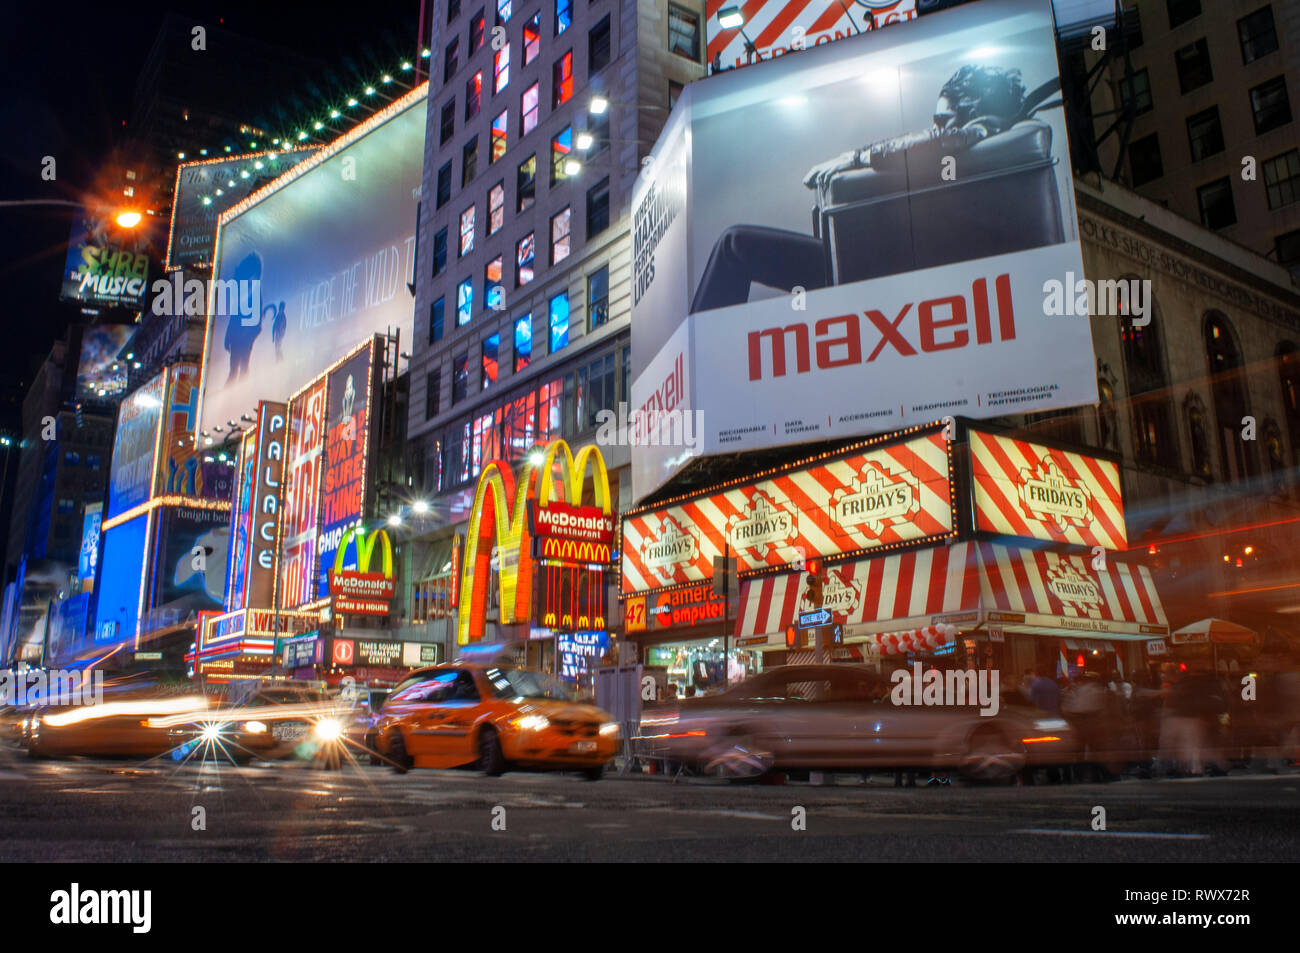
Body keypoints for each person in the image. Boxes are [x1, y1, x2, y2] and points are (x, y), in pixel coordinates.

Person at [690, 65, 1044, 314]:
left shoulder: (976, 131)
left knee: (735, 243)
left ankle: (700, 363)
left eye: (941, 120)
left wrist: (854, 158)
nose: (935, 128)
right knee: (736, 243)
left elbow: (946, 139)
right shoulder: (1002, 136)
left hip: (875, 270)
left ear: (972, 109)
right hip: (885, 265)